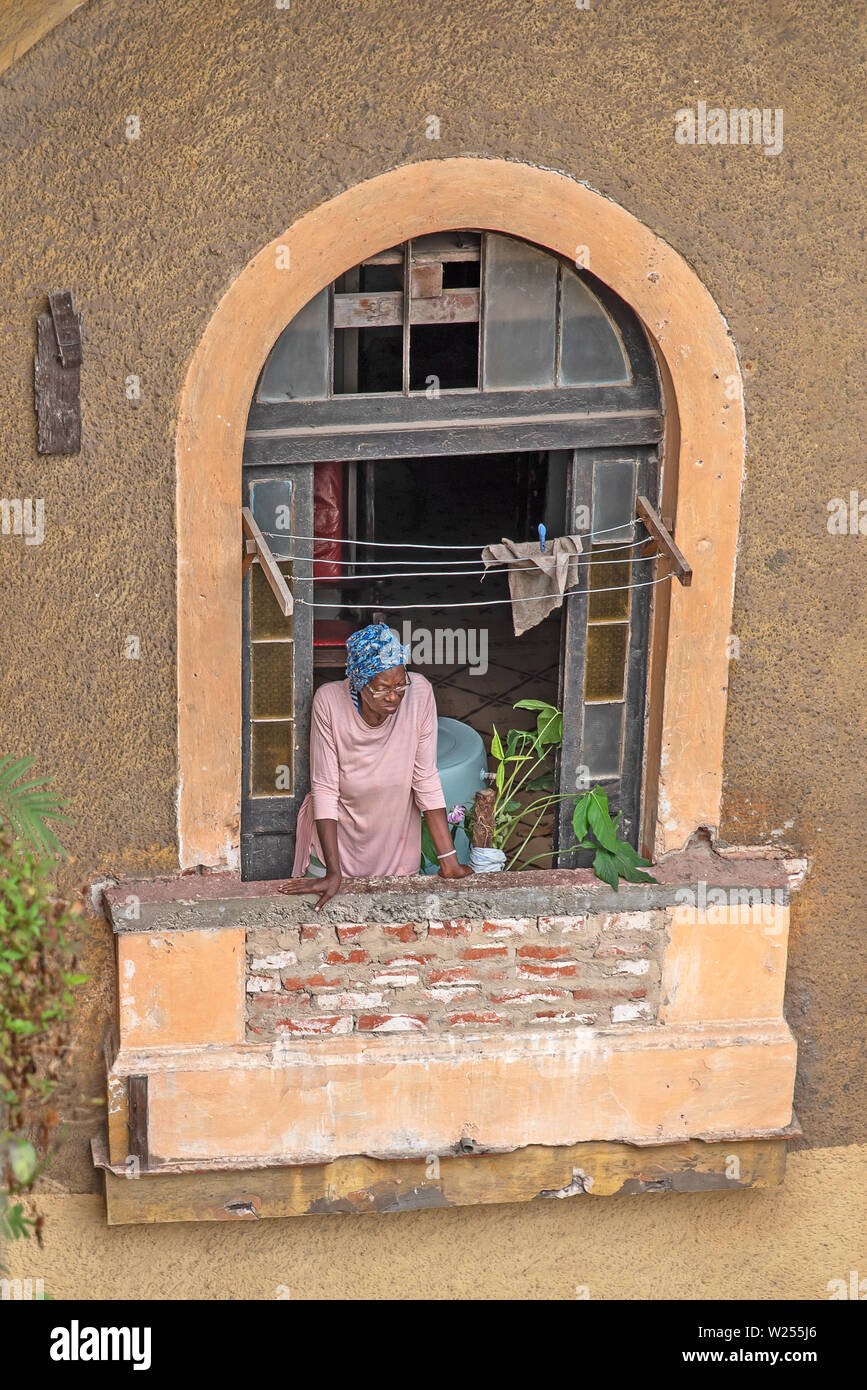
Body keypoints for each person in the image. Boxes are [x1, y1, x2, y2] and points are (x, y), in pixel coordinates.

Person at [281, 623, 472, 909]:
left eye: (399, 684)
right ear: (360, 683)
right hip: (337, 846)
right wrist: (334, 872)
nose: (394, 696)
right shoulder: (330, 702)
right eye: (382, 689)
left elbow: (425, 779)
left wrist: (449, 863)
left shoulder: (419, 693)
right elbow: (325, 789)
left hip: (396, 846)